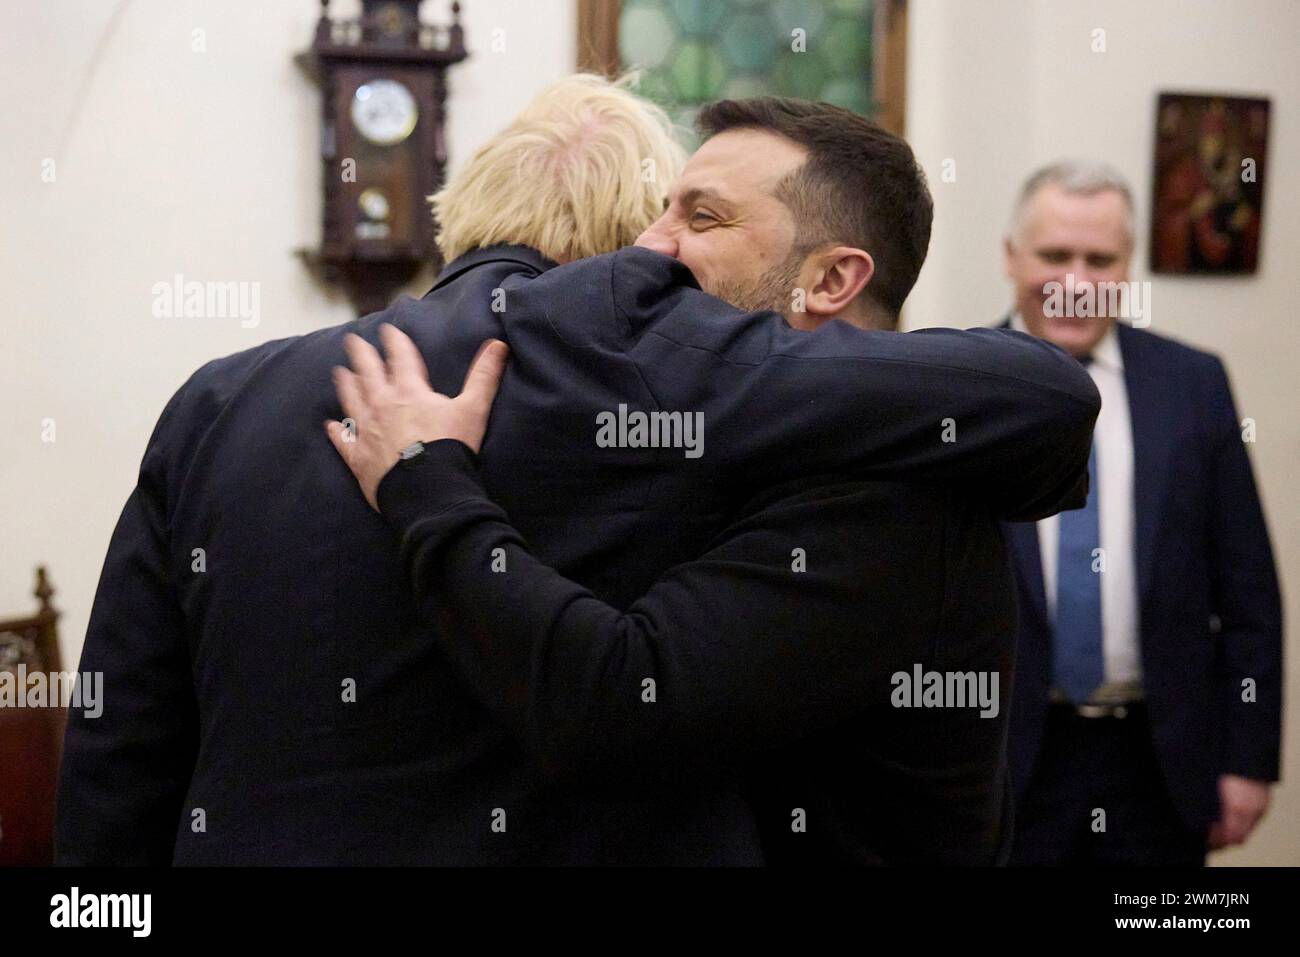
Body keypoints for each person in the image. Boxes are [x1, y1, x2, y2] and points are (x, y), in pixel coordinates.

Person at [56, 75, 1095, 865]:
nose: (656, 253)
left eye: (697, 219)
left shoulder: (219, 398)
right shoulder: (656, 393)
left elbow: (119, 749)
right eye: (658, 218)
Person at [998, 160, 1282, 865]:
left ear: (1129, 265)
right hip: (1002, 761)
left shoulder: (1193, 383)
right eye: (1055, 256)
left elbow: (1249, 590)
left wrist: (1248, 757)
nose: (1077, 280)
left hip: (1159, 763)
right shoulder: (954, 380)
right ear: (1012, 257)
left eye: (1101, 259)